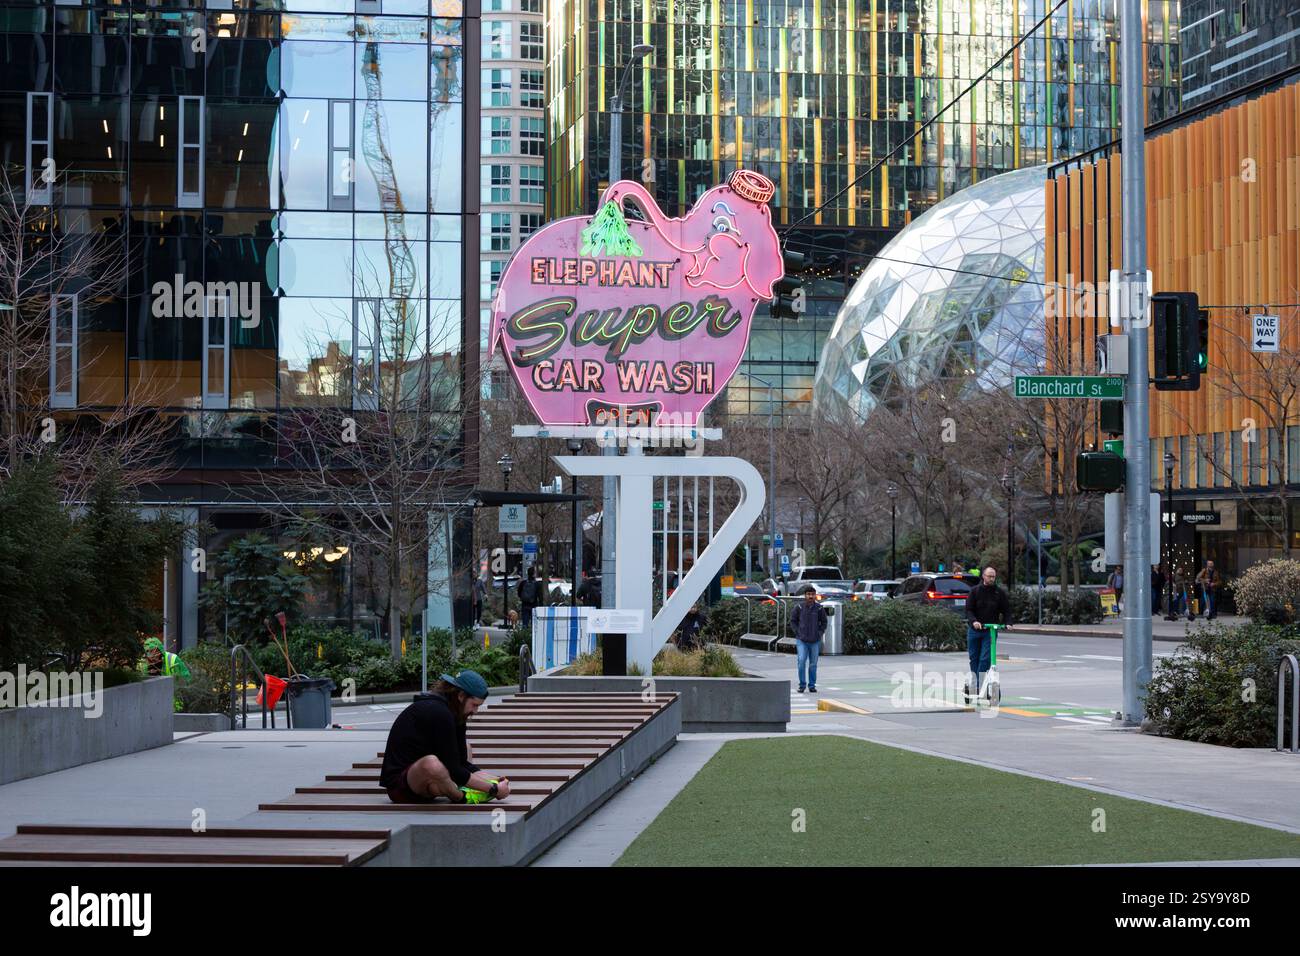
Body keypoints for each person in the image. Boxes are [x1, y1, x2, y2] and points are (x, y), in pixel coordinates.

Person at [379, 670, 512, 805]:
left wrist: (496, 780)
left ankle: (458, 789)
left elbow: (462, 764)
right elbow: (454, 770)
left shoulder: (457, 713)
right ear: (461, 696)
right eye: (475, 705)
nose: (475, 711)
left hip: (429, 784)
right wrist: (493, 789)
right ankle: (460, 796)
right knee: (431, 763)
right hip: (401, 788)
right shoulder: (438, 712)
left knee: (465, 747)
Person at [964, 566, 1010, 701]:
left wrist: (1008, 623)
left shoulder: (999, 593)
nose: (991, 578)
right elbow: (969, 610)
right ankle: (975, 684)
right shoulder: (975, 591)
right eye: (989, 576)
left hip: (990, 631)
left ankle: (980, 686)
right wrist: (974, 622)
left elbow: (1006, 610)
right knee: (974, 659)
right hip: (975, 630)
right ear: (983, 576)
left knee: (985, 660)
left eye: (993, 576)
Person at [789, 587, 827, 694]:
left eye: (812, 594)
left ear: (815, 595)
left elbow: (824, 622)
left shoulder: (819, 608)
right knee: (801, 661)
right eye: (808, 594)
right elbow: (793, 621)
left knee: (813, 664)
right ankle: (802, 685)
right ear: (805, 595)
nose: (810, 596)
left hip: (815, 641)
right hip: (802, 640)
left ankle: (812, 685)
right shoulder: (799, 607)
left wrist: (819, 633)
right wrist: (797, 632)